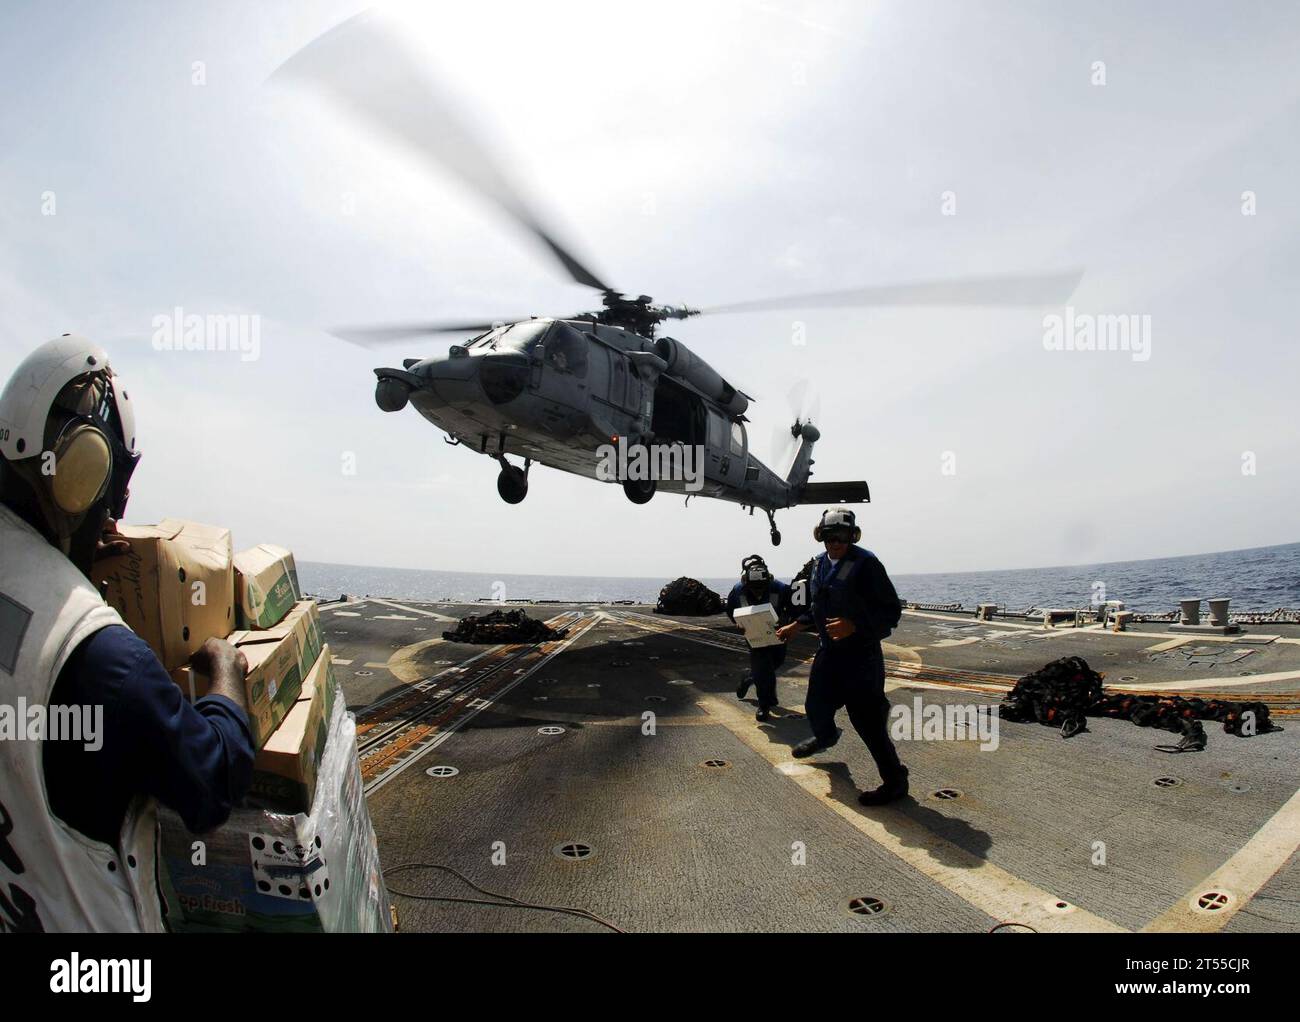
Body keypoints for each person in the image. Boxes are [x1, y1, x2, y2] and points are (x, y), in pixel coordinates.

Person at [0, 335, 255, 933]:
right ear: (86, 469)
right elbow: (212, 783)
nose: (114, 511)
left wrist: (67, 567)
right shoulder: (100, 656)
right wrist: (224, 673)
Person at [775, 507, 909, 805]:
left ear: (853, 536)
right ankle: (826, 737)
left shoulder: (866, 564)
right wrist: (798, 625)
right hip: (830, 652)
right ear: (820, 536)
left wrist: (855, 626)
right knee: (815, 704)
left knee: (867, 721)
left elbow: (890, 612)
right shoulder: (819, 564)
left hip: (862, 656)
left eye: (843, 536)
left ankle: (895, 780)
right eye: (829, 536)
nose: (836, 542)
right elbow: (820, 605)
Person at [725, 554, 791, 721]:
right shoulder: (738, 591)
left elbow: (791, 608)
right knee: (762, 665)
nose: (758, 591)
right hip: (753, 633)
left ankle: (748, 678)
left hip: (777, 632)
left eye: (761, 587)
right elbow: (730, 609)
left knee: (777, 661)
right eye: (755, 588)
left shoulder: (780, 588)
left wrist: (787, 624)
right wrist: (737, 623)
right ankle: (764, 704)